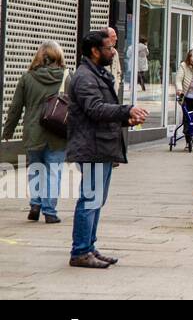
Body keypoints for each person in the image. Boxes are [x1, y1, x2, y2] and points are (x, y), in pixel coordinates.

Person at [67, 30, 149, 268]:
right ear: (94, 51)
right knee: (90, 200)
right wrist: (126, 111)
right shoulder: (84, 77)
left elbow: (103, 111)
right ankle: (80, 251)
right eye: (108, 48)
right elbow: (95, 109)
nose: (113, 52)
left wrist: (126, 119)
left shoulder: (96, 74)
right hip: (91, 146)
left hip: (101, 144)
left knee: (96, 200)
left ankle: (89, 247)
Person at [4, 40, 69, 223]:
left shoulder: (27, 78)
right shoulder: (66, 77)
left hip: (34, 132)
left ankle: (35, 204)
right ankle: (49, 211)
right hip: (58, 132)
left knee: (35, 169)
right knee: (53, 171)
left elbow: (15, 107)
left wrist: (8, 131)